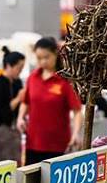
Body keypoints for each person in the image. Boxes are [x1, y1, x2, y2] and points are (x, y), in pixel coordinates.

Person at [17, 37, 83, 165]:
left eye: (46, 57)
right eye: (39, 58)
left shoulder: (65, 81)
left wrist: (76, 134)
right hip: (33, 143)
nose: (42, 62)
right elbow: (25, 102)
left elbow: (77, 112)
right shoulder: (32, 78)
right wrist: (20, 118)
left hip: (57, 145)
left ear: (55, 54)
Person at [0, 46, 25, 164]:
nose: (20, 72)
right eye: (18, 68)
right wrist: (17, 99)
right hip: (3, 132)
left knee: (17, 164)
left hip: (16, 131)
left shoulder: (17, 82)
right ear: (9, 66)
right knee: (4, 165)